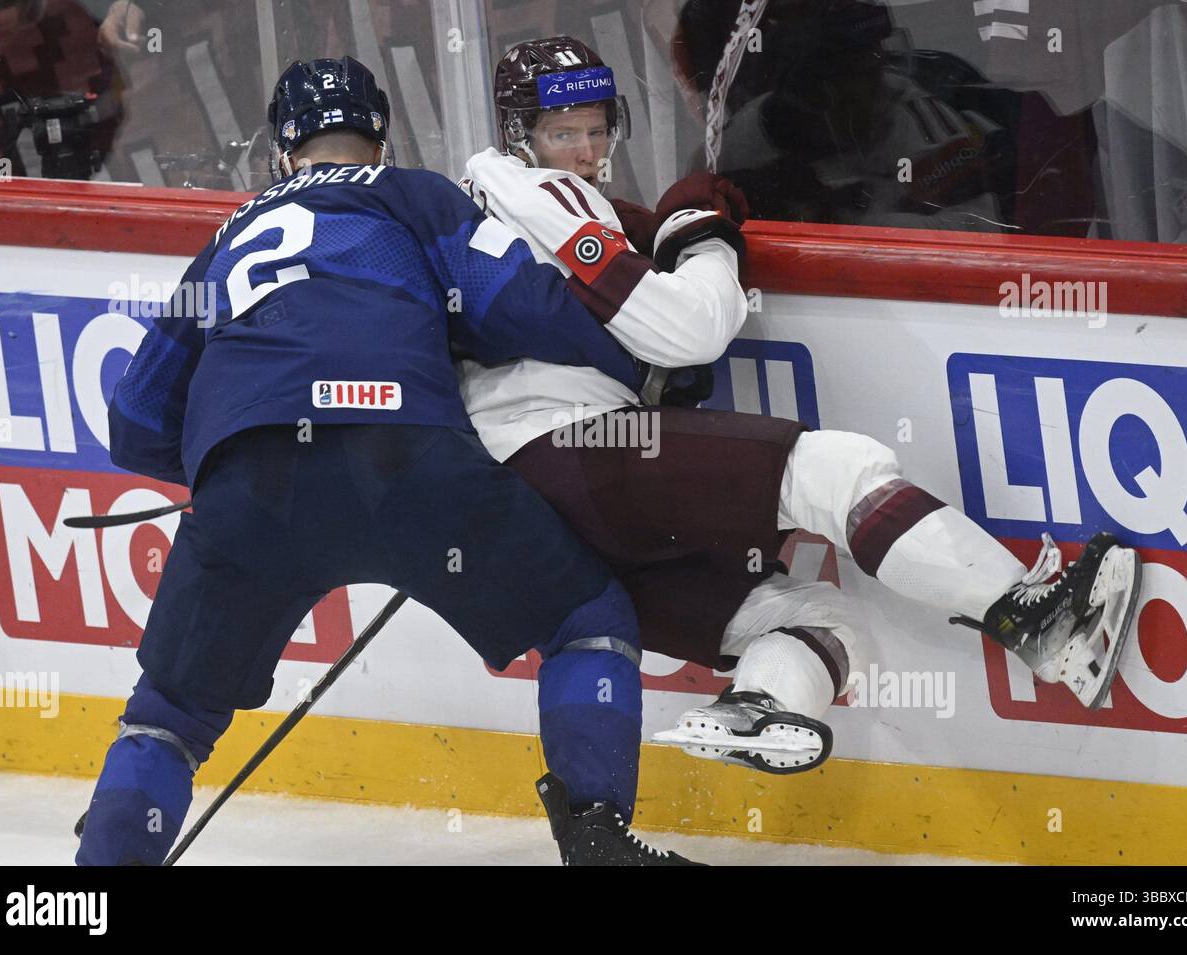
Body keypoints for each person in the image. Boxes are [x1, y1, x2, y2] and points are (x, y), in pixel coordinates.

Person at [456, 35, 1143, 781]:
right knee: (837, 471)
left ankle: (753, 705)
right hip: (559, 453)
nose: (586, 151)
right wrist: (703, 237)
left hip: (529, 519)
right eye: (564, 134)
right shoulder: (530, 194)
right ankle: (1042, 619)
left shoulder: (496, 208)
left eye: (596, 130)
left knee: (817, 617)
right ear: (519, 136)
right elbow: (690, 329)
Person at [76, 55, 697, 866]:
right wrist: (644, 373)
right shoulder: (409, 196)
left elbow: (132, 421)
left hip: (249, 489)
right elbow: (519, 304)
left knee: (167, 713)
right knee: (584, 620)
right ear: (382, 136)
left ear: (278, 150)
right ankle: (595, 834)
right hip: (408, 458)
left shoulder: (227, 239)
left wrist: (228, 447)